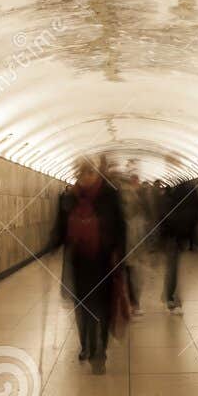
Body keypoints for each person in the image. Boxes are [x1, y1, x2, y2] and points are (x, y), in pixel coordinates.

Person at [54, 158, 127, 374]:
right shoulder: (69, 197)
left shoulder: (109, 195)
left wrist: (121, 255)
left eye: (89, 172)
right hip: (79, 261)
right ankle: (86, 344)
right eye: (81, 172)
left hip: (104, 260)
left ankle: (99, 352)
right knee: (83, 307)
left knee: (102, 308)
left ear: (96, 174)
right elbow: (60, 226)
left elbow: (120, 227)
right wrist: (53, 243)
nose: (85, 177)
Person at [159, 180, 198, 312]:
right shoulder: (190, 196)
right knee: (173, 267)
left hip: (173, 235)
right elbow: (196, 215)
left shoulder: (172, 198)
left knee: (172, 266)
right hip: (177, 235)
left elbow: (165, 218)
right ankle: (171, 298)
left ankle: (169, 296)